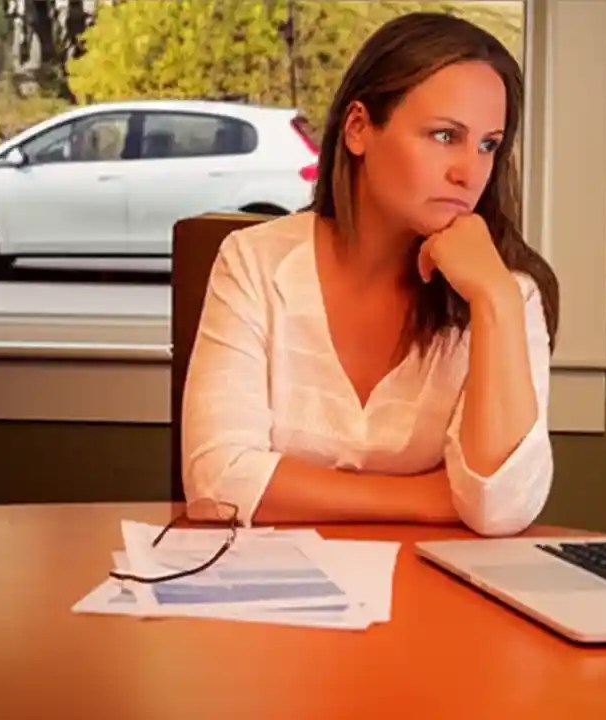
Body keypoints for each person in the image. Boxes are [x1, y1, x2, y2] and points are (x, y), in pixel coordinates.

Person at [180, 12, 559, 537]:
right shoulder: (254, 261)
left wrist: (494, 299)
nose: (469, 172)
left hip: (438, 599)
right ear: (359, 128)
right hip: (265, 596)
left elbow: (501, 508)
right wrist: (435, 497)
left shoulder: (507, 292)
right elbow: (217, 481)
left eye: (488, 145)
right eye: (444, 135)